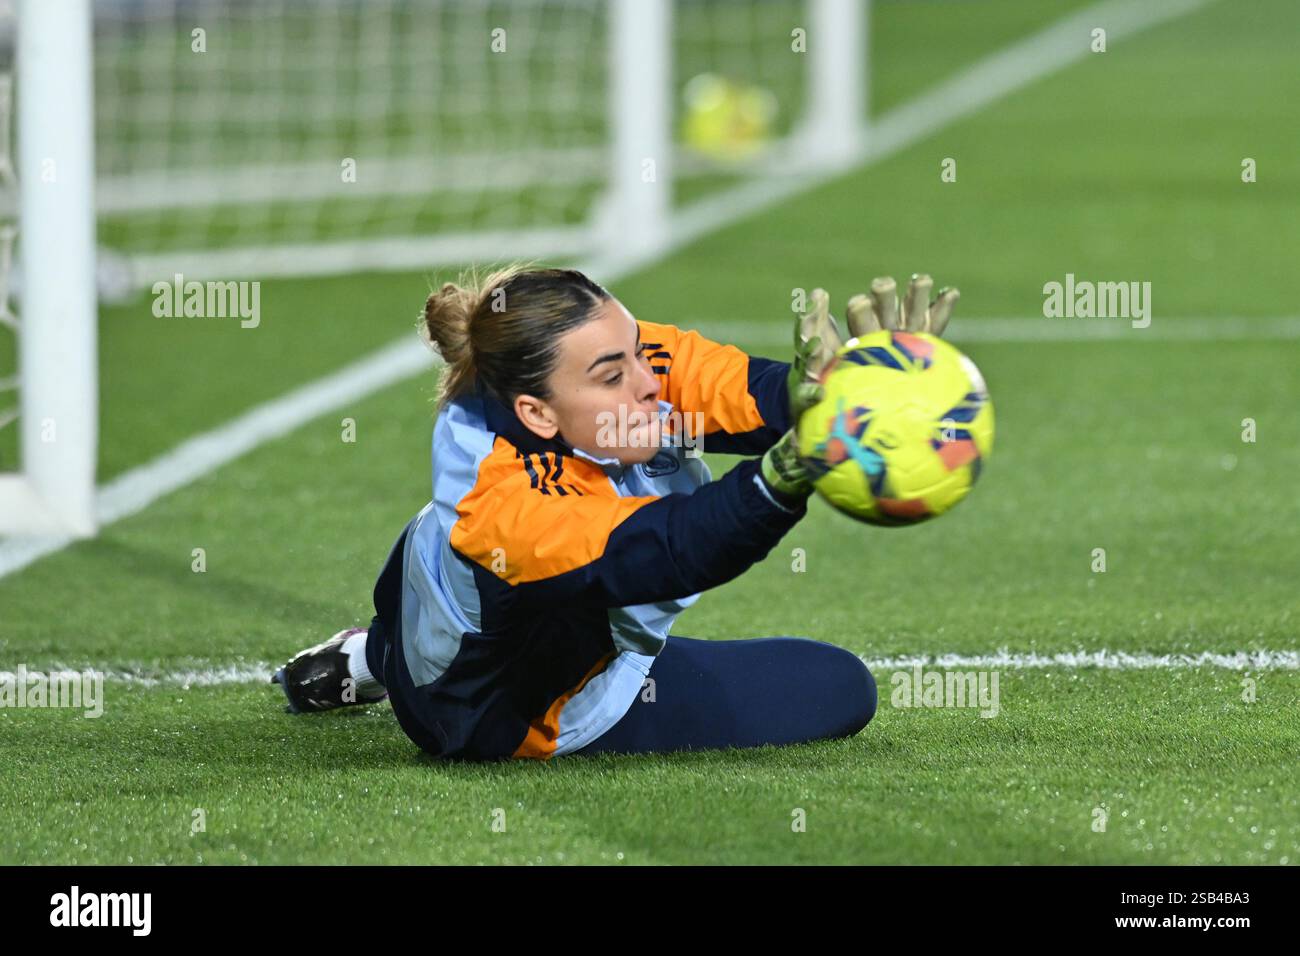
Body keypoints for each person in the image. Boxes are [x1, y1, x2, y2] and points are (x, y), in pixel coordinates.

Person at [272, 265, 959, 760]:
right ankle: (383, 663)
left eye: (636, 351)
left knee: (457, 598)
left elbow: (726, 388)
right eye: (615, 374)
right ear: (536, 413)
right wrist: (789, 470)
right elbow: (663, 551)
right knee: (839, 688)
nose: (649, 382)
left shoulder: (563, 371)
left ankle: (368, 659)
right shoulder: (509, 512)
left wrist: (836, 391)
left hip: (427, 601)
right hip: (499, 720)